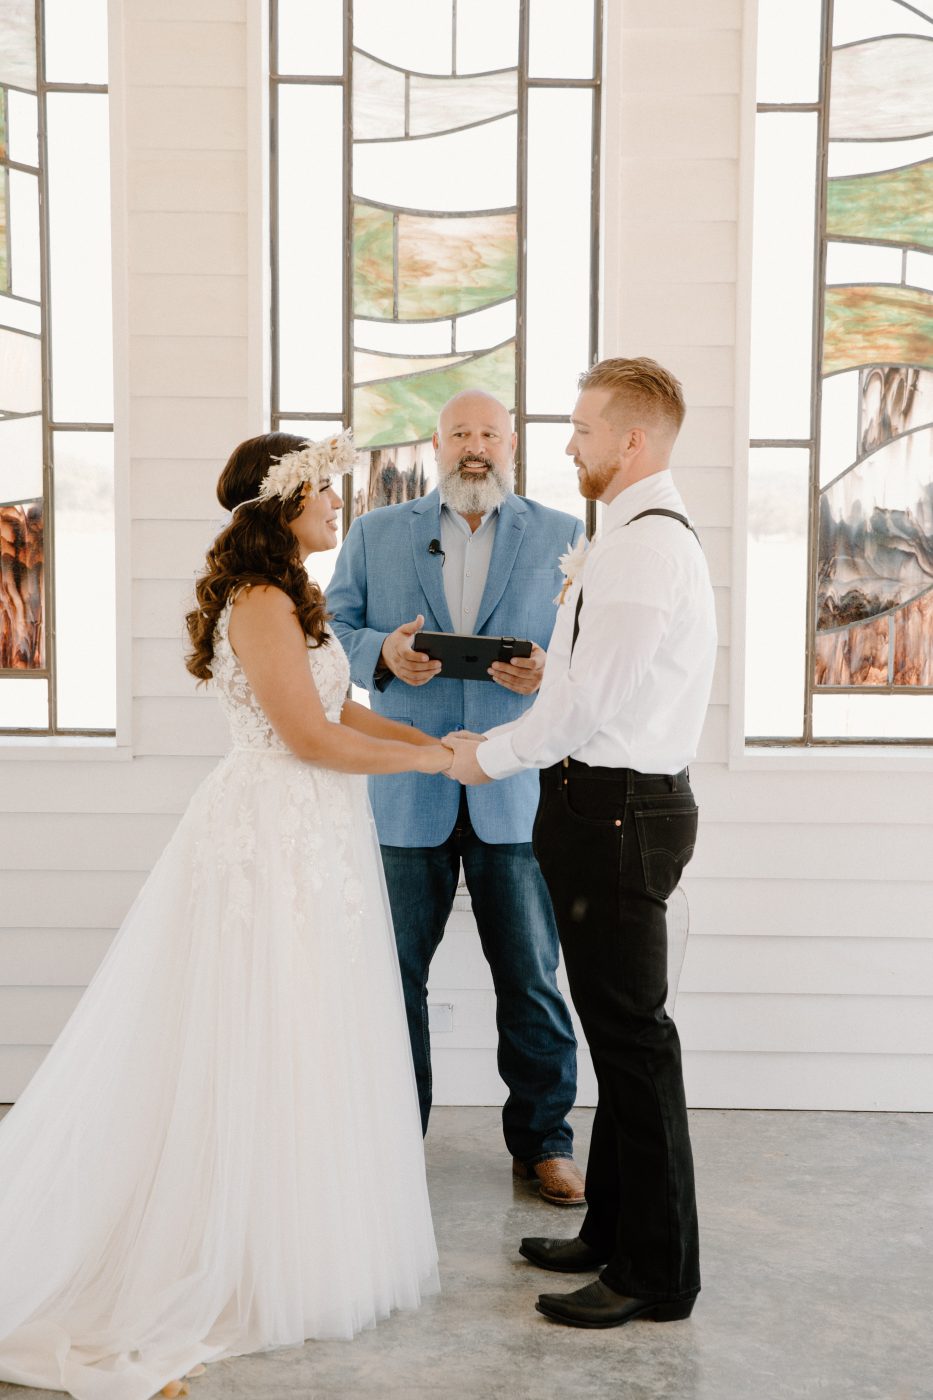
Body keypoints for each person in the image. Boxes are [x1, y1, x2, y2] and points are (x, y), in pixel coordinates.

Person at [0, 432, 446, 1400]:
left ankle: (293, 1236)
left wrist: (431, 738)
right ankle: (207, 1257)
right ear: (281, 504)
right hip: (271, 836)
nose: (339, 504)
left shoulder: (299, 599)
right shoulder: (258, 602)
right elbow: (308, 737)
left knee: (309, 1029)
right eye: (324, 491)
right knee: (257, 1025)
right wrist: (428, 764)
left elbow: (347, 708)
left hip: (317, 839)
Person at [444, 358, 717, 1329]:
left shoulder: (645, 547)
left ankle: (656, 1271)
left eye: (583, 428)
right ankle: (612, 1229)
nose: (569, 443)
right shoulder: (629, 536)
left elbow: (591, 705)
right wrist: (519, 735)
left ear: (631, 441)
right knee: (615, 1033)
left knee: (635, 1044)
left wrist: (487, 757)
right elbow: (577, 686)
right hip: (595, 805)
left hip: (617, 813)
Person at [327, 390, 586, 1205]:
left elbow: (592, 643)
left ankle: (544, 1145)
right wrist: (380, 656)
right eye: (459, 434)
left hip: (514, 787)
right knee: (392, 975)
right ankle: (393, 1141)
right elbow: (328, 626)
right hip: (407, 785)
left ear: (512, 443)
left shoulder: (563, 535)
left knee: (533, 978)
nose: (475, 447)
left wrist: (549, 670)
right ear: (435, 445)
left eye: (489, 434)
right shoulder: (374, 533)